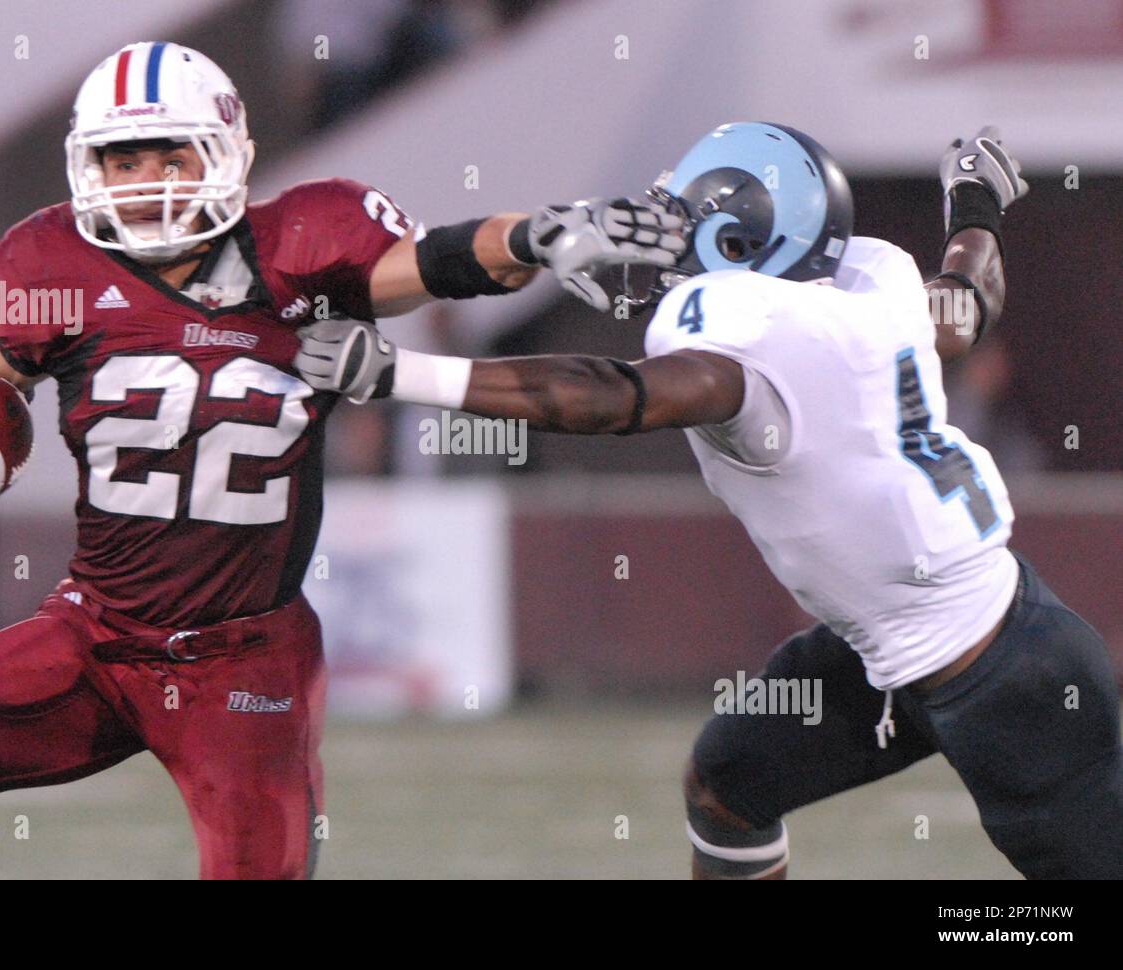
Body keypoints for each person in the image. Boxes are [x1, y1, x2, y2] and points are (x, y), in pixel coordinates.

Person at [0, 40, 685, 880]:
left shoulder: (304, 243)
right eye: (123, 159)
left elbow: (443, 262)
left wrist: (537, 236)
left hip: (243, 661)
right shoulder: (54, 260)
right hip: (93, 633)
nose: (150, 180)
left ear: (228, 154)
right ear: (85, 168)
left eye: (173, 152)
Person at [294, 124, 1123, 879]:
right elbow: (969, 298)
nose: (672, 239)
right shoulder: (874, 284)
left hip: (1007, 676)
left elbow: (608, 397)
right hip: (885, 650)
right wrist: (975, 197)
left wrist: (406, 374)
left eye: (689, 217)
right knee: (727, 789)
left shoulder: (748, 339)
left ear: (744, 235)